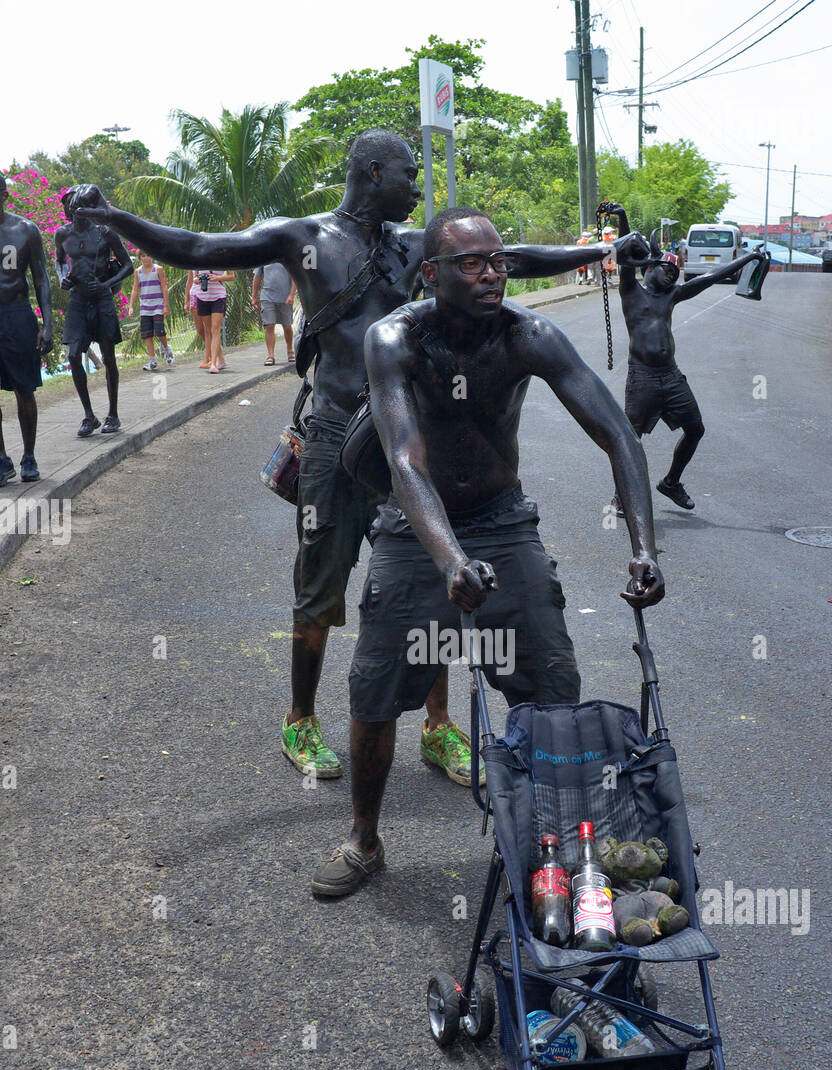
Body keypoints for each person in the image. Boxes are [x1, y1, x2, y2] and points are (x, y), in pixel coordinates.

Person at [67, 133, 616, 785]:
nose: (416, 188)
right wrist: (113, 218)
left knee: (437, 579)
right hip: (335, 439)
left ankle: (437, 727)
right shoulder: (305, 239)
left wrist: (600, 250)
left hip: (410, 447)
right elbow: (198, 248)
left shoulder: (415, 249)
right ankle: (300, 718)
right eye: (409, 176)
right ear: (374, 172)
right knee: (321, 588)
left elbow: (513, 257)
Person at [310, 207, 665, 898]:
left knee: (554, 688)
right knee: (375, 688)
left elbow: (618, 435)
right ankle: (363, 837)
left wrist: (643, 547)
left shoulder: (529, 335)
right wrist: (448, 562)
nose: (491, 274)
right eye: (471, 263)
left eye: (498, 261)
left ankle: (555, 848)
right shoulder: (395, 339)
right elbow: (405, 463)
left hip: (503, 521)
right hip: (415, 528)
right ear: (430, 274)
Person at [607, 205, 765, 512]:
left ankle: (671, 482)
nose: (670, 275)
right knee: (631, 438)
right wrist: (622, 215)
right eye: (665, 269)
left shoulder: (672, 296)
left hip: (670, 376)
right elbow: (626, 249)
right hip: (642, 379)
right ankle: (620, 495)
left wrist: (749, 256)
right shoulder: (631, 290)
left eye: (674, 273)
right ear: (648, 268)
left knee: (696, 429)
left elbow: (711, 276)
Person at [54, 189, 133, 437]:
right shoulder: (62, 234)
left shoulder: (104, 232)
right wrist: (61, 278)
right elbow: (59, 261)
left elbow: (128, 265)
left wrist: (106, 285)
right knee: (73, 354)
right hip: (78, 298)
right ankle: (89, 415)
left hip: (101, 297)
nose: (74, 214)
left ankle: (113, 414)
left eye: (78, 209)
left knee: (109, 356)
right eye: (71, 210)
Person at [0, 172, 54, 485]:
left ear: (5, 194)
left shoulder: (25, 230)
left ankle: (29, 455)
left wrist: (47, 323)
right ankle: (2, 458)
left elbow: (42, 279)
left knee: (24, 389)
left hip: (17, 314)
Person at [127, 252, 174, 371]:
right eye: (143, 256)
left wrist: (166, 306)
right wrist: (131, 306)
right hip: (145, 307)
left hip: (158, 304)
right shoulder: (138, 272)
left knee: (159, 330)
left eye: (148, 255)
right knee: (147, 334)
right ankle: (152, 360)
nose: (146, 258)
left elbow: (164, 287)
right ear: (139, 258)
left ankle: (167, 349)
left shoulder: (158, 269)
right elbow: (135, 289)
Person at [253, 263, 296, 365]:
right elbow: (257, 276)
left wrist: (291, 295)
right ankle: (270, 355)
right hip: (267, 297)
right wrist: (254, 296)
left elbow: (295, 277)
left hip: (285, 298)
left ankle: (290, 350)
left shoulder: (286, 255)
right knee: (269, 325)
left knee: (287, 326)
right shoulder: (264, 257)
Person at [193, 268, 233, 373]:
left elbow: (231, 276)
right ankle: (222, 360)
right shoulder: (199, 258)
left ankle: (214, 364)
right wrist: (196, 280)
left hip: (218, 297)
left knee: (215, 329)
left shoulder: (223, 258)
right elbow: (195, 277)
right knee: (208, 331)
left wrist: (218, 278)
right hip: (202, 296)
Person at [185, 269, 207, 364]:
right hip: (194, 295)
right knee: (200, 329)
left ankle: (211, 354)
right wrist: (186, 301)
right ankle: (211, 348)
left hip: (206, 295)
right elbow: (189, 281)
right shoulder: (192, 264)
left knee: (208, 328)